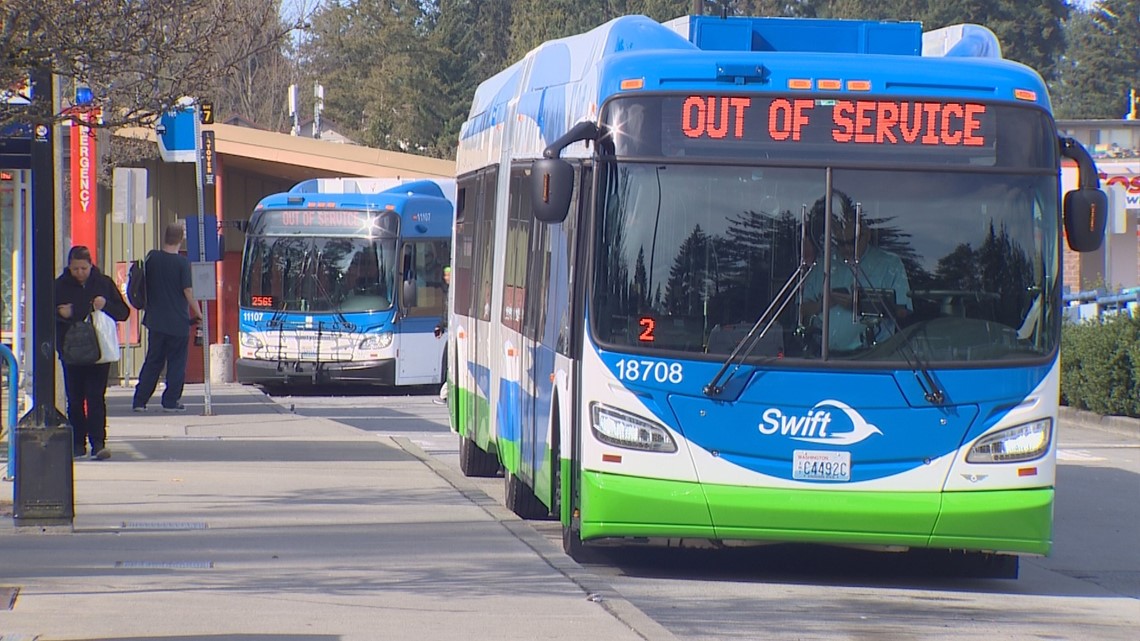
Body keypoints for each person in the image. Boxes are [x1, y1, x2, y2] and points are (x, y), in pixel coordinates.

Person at [801, 193, 912, 352]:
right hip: (822, 354)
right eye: (840, 243)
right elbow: (800, 310)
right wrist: (822, 305)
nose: (846, 249)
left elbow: (904, 312)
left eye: (851, 242)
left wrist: (860, 304)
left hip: (873, 356)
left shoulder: (890, 265)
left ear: (866, 235)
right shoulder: (824, 264)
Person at [55, 246, 130, 459]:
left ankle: (98, 443)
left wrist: (105, 305)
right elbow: (47, 314)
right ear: (69, 267)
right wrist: (64, 314)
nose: (79, 273)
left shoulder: (103, 283)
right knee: (75, 399)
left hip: (99, 351)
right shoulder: (60, 286)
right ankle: (78, 443)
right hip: (71, 351)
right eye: (75, 269)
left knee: (95, 397)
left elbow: (123, 312)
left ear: (91, 265)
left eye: (83, 268)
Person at [132, 223, 203, 413]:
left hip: (155, 321)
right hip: (178, 323)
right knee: (176, 364)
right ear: (181, 239)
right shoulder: (182, 263)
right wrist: (199, 313)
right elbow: (188, 291)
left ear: (165, 237)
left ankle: (140, 400)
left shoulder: (152, 258)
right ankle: (170, 401)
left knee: (153, 361)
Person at [433, 266, 451, 404]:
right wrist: (441, 326)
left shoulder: (454, 292)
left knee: (448, 363)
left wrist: (442, 326)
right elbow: (447, 314)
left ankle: (444, 394)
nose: (446, 278)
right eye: (444, 275)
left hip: (454, 332)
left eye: (448, 275)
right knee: (447, 362)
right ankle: (445, 393)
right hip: (450, 330)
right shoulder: (448, 291)